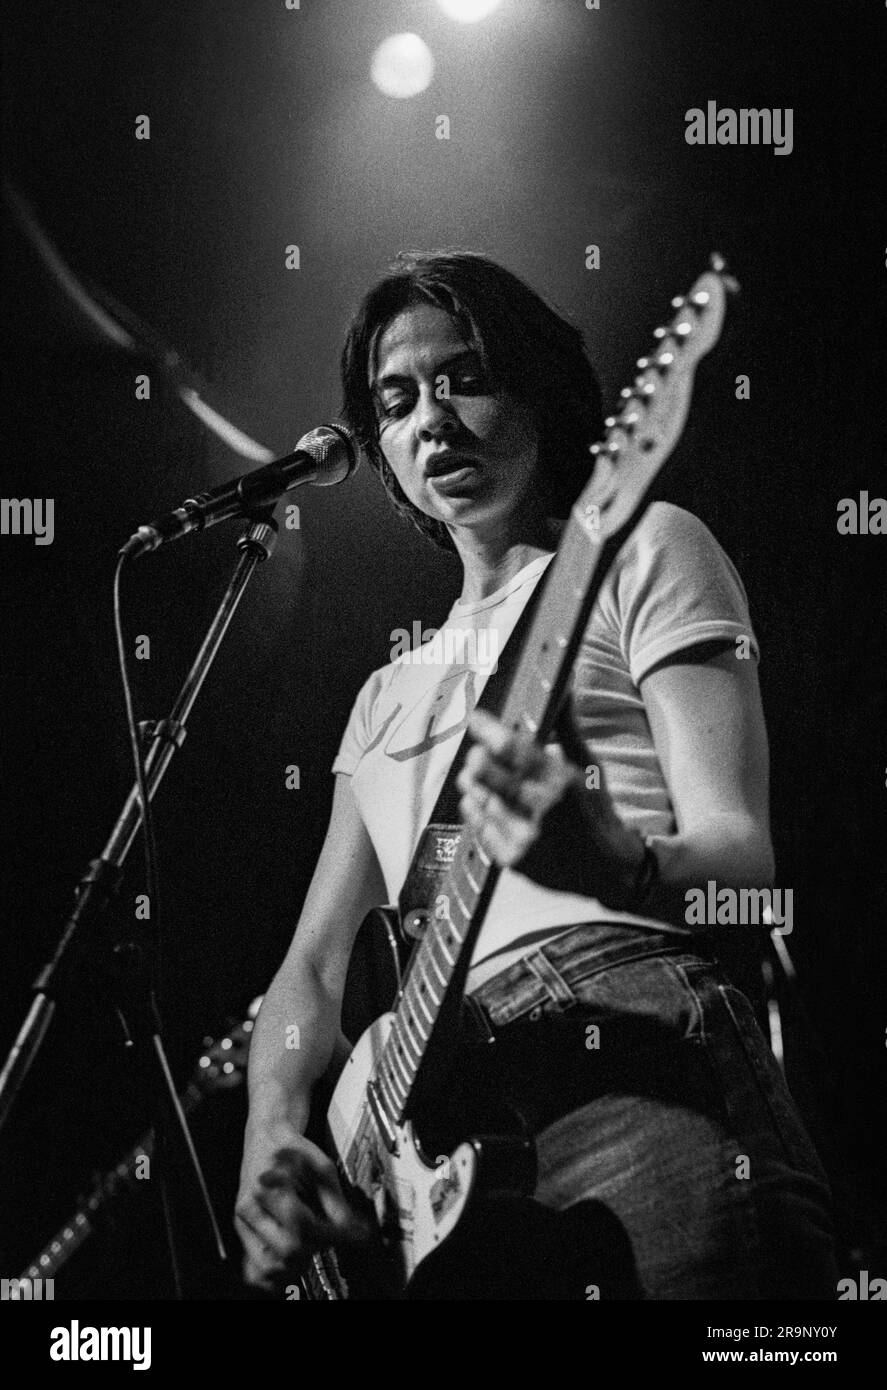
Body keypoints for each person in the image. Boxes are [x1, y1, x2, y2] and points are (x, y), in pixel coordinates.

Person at [235, 250, 837, 1299]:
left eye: (463, 376)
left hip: (636, 1049)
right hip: (441, 1142)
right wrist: (273, 1130)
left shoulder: (641, 547)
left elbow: (748, 872)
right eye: (396, 399)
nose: (432, 416)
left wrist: (610, 864)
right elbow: (314, 973)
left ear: (539, 392)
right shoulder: (384, 693)